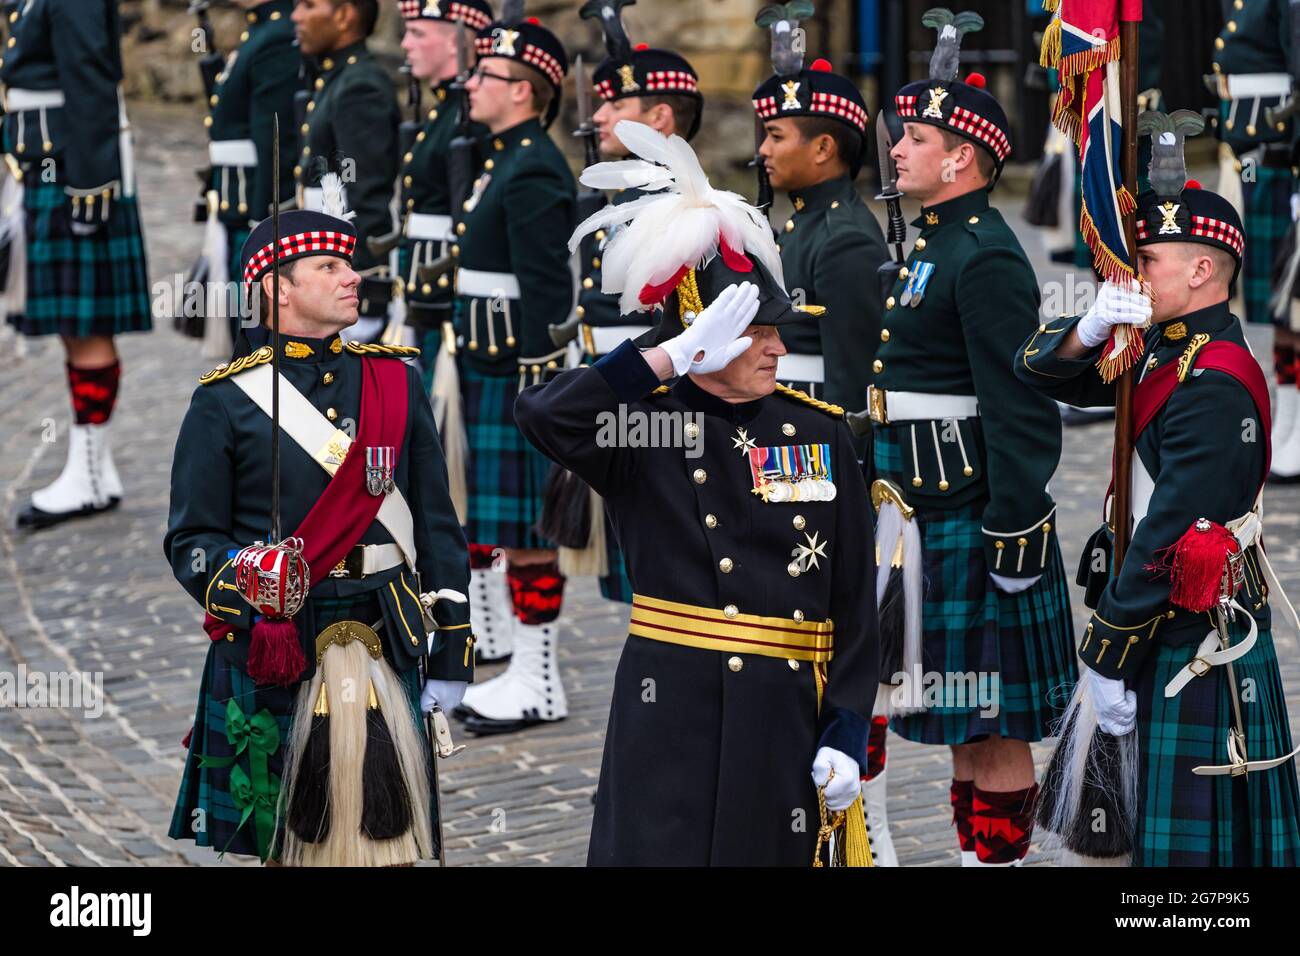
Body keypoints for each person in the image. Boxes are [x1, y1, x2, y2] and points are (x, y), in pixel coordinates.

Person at [519, 120, 878, 864]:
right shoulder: (648, 428)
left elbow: (852, 601)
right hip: (669, 706)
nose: (780, 347)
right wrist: (665, 357)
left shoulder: (817, 432)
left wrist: (846, 727)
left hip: (782, 713)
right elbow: (545, 414)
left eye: (780, 330)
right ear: (706, 335)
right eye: (758, 332)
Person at [165, 190, 474, 865]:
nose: (351, 275)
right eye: (329, 266)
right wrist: (246, 576)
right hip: (279, 644)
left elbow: (439, 526)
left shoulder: (394, 381)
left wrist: (451, 649)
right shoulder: (223, 402)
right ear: (274, 290)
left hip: (383, 632)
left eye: (348, 263)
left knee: (385, 843)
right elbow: (189, 543)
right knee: (290, 844)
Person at [1017, 157, 1300, 866]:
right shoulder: (1154, 347)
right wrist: (1088, 327)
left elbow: (1171, 530)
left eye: (1144, 258)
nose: (1127, 274)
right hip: (1154, 621)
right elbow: (1037, 371)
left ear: (1201, 271)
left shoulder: (1214, 380)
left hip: (1185, 631)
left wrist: (1106, 652)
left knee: (1195, 868)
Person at [869, 11, 1076, 866]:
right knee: (959, 714)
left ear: (960, 157)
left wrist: (1015, 527)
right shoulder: (931, 244)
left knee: (991, 723)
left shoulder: (984, 254)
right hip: (916, 508)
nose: (897, 150)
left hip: (971, 516)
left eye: (913, 137)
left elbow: (1020, 402)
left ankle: (999, 864)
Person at [444, 4, 577, 735]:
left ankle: (538, 677)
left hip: (516, 372)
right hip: (484, 362)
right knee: (500, 523)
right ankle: (519, 669)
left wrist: (540, 388)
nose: (472, 83)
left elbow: (547, 294)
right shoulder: (504, 156)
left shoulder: (532, 169)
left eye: (487, 74)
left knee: (528, 531)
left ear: (523, 90)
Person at [557, 0, 705, 607]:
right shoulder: (613, 196)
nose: (597, 116)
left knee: (663, 561)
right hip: (608, 382)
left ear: (660, 116)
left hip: (654, 396)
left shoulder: (688, 203)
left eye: (615, 104)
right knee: (627, 569)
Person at [5, 0, 152, 530]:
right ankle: (96, 469)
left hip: (70, 170)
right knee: (74, 326)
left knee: (84, 323)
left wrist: (91, 186)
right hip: (47, 163)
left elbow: (90, 75)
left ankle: (86, 477)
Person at [752, 52, 886, 416]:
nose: (763, 150)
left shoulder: (844, 239)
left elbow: (853, 379)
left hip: (813, 429)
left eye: (775, 136)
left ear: (824, 148)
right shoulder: (803, 223)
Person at [1211, 0, 1300, 478]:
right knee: (1277, 308)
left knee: (1294, 305)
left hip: (1281, 150)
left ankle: (1297, 424)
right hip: (1247, 144)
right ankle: (1287, 421)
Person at [292, 0, 399, 342]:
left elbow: (365, 196)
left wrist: (366, 293)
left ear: (344, 15)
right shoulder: (336, 76)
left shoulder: (360, 86)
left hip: (342, 273)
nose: (296, 16)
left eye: (308, 6)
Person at [198, 0, 299, 351]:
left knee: (258, 341)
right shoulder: (260, 30)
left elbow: (274, 140)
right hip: (235, 203)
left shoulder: (278, 35)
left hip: (253, 209)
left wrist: (263, 223)